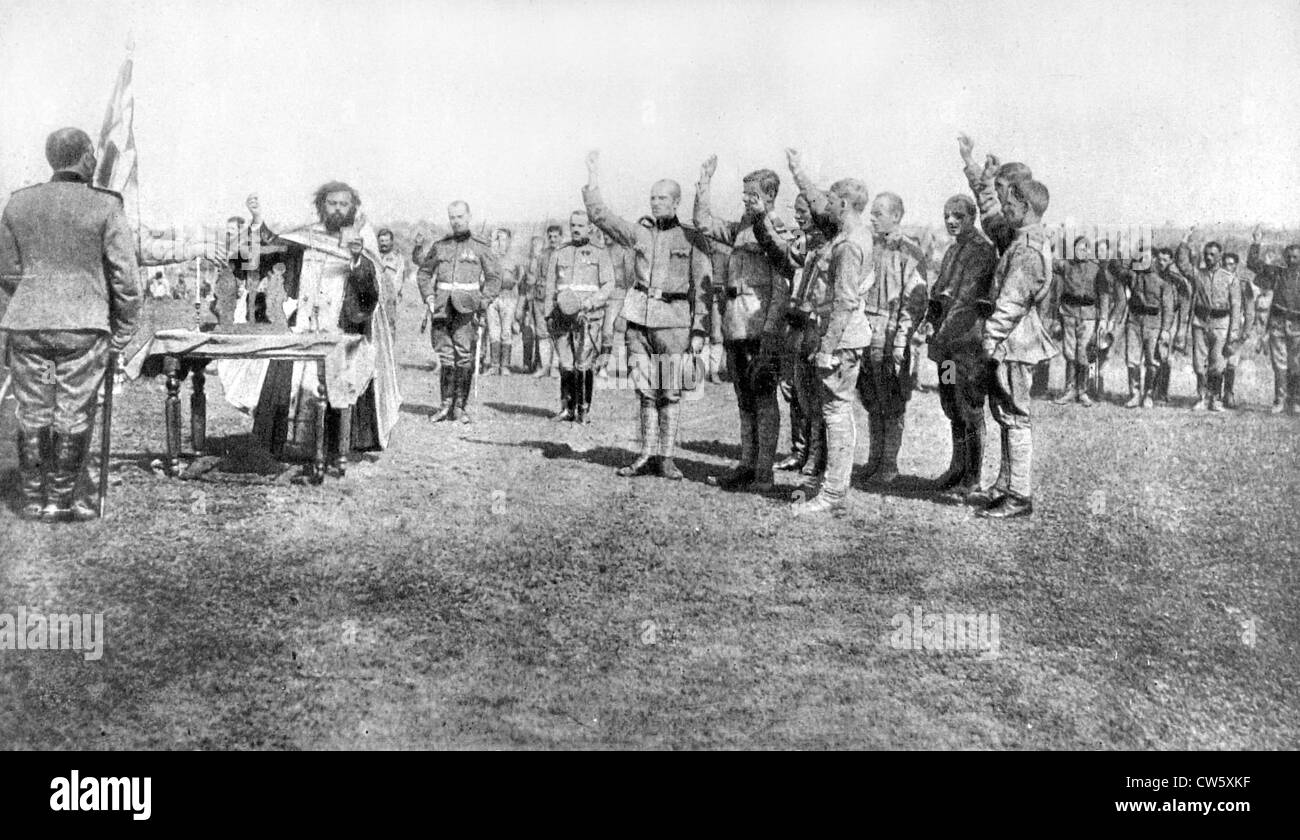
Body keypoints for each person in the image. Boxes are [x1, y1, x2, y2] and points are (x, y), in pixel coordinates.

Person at [0, 127, 140, 521]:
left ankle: (31, 499)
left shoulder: (18, 204)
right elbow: (125, 279)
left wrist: (34, 302)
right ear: (86, 158)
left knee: (33, 411)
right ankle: (60, 500)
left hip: (29, 328)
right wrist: (124, 331)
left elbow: (7, 270)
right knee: (73, 412)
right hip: (82, 329)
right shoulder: (106, 206)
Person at [245, 186, 398, 473]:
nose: (338, 209)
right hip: (303, 323)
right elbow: (266, 253)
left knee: (336, 384)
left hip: (339, 327)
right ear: (321, 205)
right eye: (332, 203)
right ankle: (282, 443)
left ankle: (331, 447)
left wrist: (356, 260)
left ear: (352, 208)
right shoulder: (305, 236)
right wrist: (256, 220)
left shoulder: (362, 240)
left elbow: (369, 294)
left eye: (344, 204)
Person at [583, 150, 710, 480]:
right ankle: (646, 453)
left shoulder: (692, 238)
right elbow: (601, 216)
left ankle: (666, 458)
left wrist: (699, 330)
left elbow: (702, 287)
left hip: (673, 323)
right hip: (639, 321)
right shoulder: (639, 234)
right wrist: (593, 176)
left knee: (670, 391)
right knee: (644, 390)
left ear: (676, 202)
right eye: (652, 197)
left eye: (662, 198)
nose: (655, 203)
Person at [758, 183, 870, 516]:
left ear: (844, 204)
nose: (825, 207)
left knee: (836, 413)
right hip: (831, 334)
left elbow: (845, 300)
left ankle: (833, 492)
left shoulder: (849, 245)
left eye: (831, 202)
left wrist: (828, 348)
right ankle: (824, 482)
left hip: (841, 339)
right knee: (827, 411)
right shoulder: (844, 238)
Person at [694, 155, 791, 493]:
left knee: (763, 399)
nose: (745, 200)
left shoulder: (780, 231)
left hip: (759, 328)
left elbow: (781, 287)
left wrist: (770, 333)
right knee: (744, 399)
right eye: (744, 194)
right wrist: (704, 183)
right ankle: (747, 465)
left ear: (769, 196)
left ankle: (764, 472)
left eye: (752, 195)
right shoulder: (740, 229)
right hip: (736, 327)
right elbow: (703, 223)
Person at [972, 179, 1057, 520]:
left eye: (1009, 205)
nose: (1004, 210)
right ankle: (1011, 489)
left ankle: (1019, 495)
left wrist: (988, 341)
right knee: (1008, 415)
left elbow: (1010, 303)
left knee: (1015, 417)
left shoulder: (1026, 249)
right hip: (1014, 341)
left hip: (1013, 343)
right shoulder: (1027, 240)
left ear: (1025, 206)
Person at [925, 195, 998, 499]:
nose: (951, 221)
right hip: (946, 346)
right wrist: (930, 321)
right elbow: (939, 290)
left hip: (967, 344)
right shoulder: (953, 249)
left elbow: (966, 299)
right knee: (951, 404)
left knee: (969, 407)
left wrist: (941, 331)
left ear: (973, 217)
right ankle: (957, 468)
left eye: (958, 216)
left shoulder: (981, 251)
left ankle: (973, 476)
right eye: (947, 216)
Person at [415, 201, 502, 423]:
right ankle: (445, 405)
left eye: (460, 216)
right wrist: (429, 297)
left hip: (467, 310)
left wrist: (484, 301)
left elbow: (495, 277)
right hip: (442, 308)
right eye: (452, 217)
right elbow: (424, 273)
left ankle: (460, 407)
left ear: (469, 216)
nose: (456, 221)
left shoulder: (480, 246)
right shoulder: (440, 246)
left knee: (464, 355)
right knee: (445, 355)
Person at [543, 210, 614, 423]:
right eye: (573, 225)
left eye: (580, 225)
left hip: (587, 316)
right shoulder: (559, 252)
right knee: (566, 362)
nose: (575, 229)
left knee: (583, 363)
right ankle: (567, 408)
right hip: (562, 316)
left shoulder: (600, 253)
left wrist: (593, 302)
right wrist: (548, 314)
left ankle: (583, 409)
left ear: (590, 228)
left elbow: (609, 284)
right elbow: (550, 287)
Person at [1175, 232, 1241, 412]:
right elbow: (1182, 265)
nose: (1209, 258)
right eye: (1206, 254)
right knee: (1198, 363)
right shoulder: (1198, 275)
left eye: (1213, 254)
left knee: (1217, 365)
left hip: (1221, 324)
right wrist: (1184, 243)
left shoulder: (1230, 278)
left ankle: (1215, 398)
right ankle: (1202, 397)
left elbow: (1236, 307)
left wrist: (1233, 334)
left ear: (1220, 256)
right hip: (1200, 322)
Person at [1113, 248, 1179, 409]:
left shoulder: (1164, 281)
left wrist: (1165, 330)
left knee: (1152, 362)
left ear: (1154, 259)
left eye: (1148, 258)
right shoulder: (1133, 275)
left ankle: (1148, 393)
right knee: (1132, 360)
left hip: (1154, 324)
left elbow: (1168, 308)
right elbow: (1118, 269)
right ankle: (1134, 394)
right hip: (1134, 321)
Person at [1051, 236, 1110, 406]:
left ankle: (1082, 391)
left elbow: (1104, 294)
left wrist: (1104, 318)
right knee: (1069, 353)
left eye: (1085, 249)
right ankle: (1069, 390)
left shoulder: (1097, 269)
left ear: (1089, 251)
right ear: (1073, 249)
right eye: (1078, 248)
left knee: (1083, 352)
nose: (1082, 252)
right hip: (1069, 313)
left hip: (1089, 315)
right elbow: (1049, 262)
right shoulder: (1066, 265)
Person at [1247, 225, 1300, 414]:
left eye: (1296, 257)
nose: (1292, 260)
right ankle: (1279, 400)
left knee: (1297, 365)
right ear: (1284, 258)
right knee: (1280, 365)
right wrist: (1256, 242)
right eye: (1289, 257)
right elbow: (1253, 264)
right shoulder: (1278, 273)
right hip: (1277, 323)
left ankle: (1296, 401)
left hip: (1298, 325)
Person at [524, 224, 563, 377]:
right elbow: (533, 277)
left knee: (557, 332)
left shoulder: (564, 253)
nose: (553, 239)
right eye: (550, 236)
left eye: (556, 236)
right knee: (542, 333)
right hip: (540, 298)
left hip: (556, 299)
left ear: (561, 237)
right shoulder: (542, 255)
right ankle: (545, 366)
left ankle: (554, 367)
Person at [1219, 251, 1256, 409]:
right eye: (1226, 264)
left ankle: (1228, 393)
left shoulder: (1242, 283)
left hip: (1236, 325)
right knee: (1217, 360)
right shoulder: (1218, 280)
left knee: (1231, 362)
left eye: (1232, 264)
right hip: (1220, 322)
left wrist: (1246, 329)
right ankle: (1213, 393)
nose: (1229, 267)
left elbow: (1249, 309)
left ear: (1236, 265)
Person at [485, 226, 523, 375]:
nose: (500, 243)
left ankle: (505, 366)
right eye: (497, 239)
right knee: (494, 332)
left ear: (509, 241)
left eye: (504, 239)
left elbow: (521, 279)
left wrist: (517, 299)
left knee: (506, 331)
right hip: (493, 298)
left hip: (509, 298)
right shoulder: (489, 257)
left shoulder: (515, 259)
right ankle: (494, 365)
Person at [374, 227, 408, 334]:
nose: (384, 244)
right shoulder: (374, 256)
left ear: (392, 241)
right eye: (381, 241)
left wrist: (392, 295)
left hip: (389, 299)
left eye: (386, 241)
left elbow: (399, 279)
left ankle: (390, 350)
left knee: (389, 328)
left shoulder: (397, 258)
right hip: (374, 297)